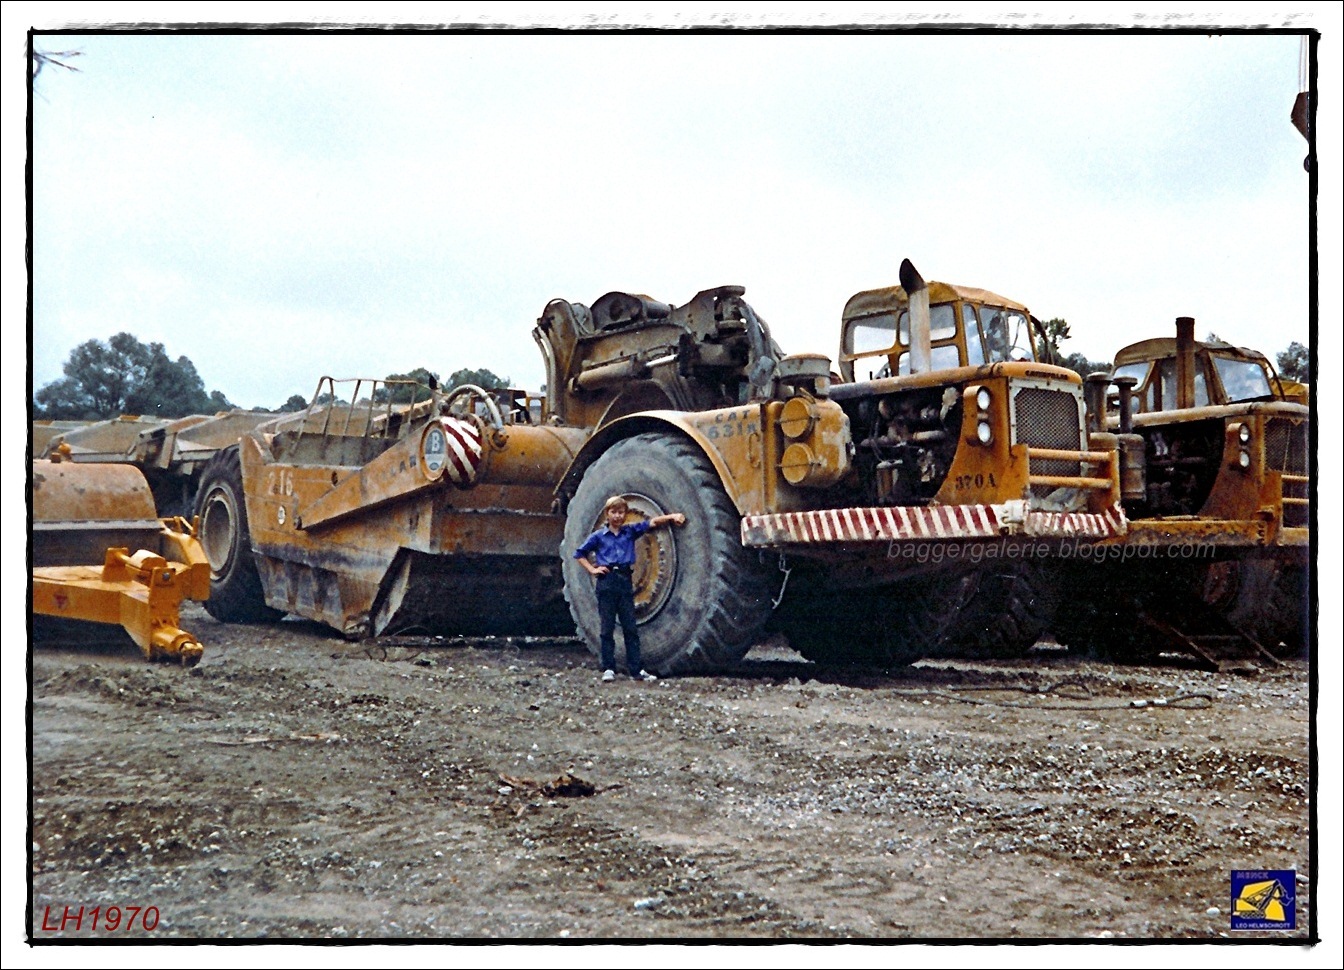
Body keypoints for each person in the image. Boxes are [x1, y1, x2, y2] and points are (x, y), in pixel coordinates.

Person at [573, 495, 687, 682]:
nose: (617, 516)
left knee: (630, 627)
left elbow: (651, 523)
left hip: (625, 581)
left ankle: (636, 670)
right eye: (613, 512)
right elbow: (579, 554)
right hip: (607, 581)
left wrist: (671, 516)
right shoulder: (598, 536)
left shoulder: (629, 532)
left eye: (621, 512)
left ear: (625, 514)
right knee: (607, 627)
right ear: (607, 514)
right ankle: (608, 668)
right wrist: (593, 569)